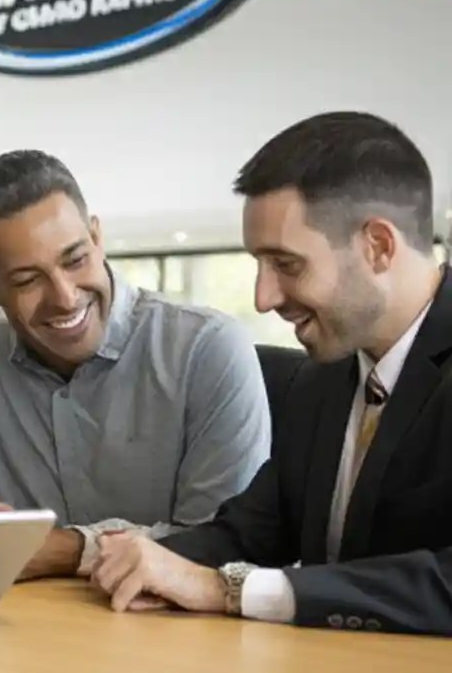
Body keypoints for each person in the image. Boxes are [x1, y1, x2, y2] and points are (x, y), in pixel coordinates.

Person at [91, 111, 452, 637]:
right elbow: (245, 533)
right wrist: (125, 557)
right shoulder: (320, 380)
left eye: (286, 264)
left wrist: (231, 590)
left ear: (378, 246)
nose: (264, 298)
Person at [0, 149, 271, 580]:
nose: (66, 297)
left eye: (75, 260)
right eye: (27, 280)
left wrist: (64, 550)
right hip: (39, 629)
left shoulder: (208, 349)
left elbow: (227, 544)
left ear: (96, 237)